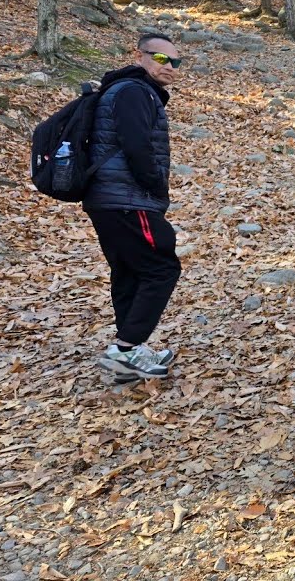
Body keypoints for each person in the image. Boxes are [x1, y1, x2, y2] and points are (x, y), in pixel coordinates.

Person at [87, 32, 182, 382]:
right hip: (127, 199)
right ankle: (126, 348)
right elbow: (136, 145)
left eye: (175, 61)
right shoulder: (134, 91)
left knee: (129, 271)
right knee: (162, 267)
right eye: (161, 58)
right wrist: (155, 184)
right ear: (139, 55)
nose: (169, 66)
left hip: (108, 199)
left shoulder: (124, 89)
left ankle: (128, 354)